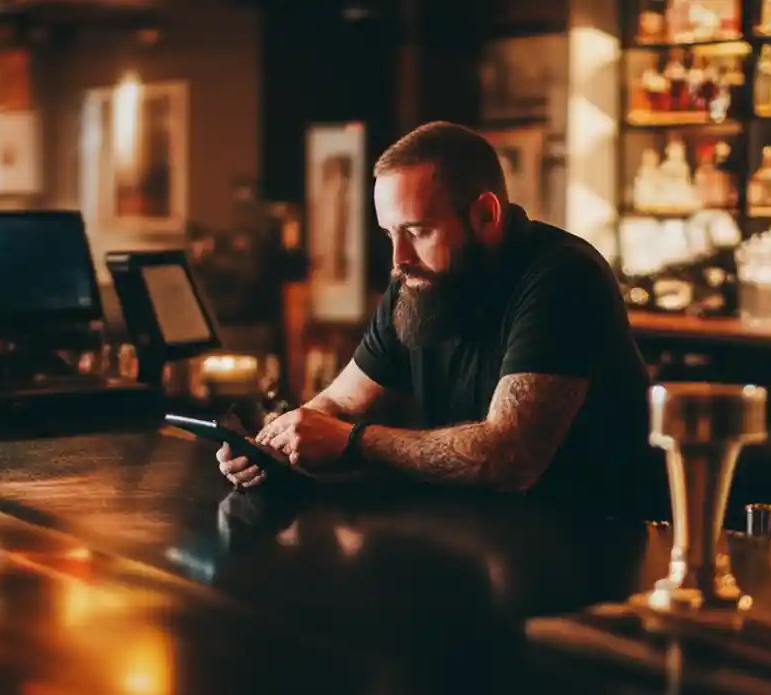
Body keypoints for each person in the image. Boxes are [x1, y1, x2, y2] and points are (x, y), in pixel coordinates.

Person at [218, 121, 664, 519]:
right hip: (486, 542)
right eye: (390, 234)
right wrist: (271, 447)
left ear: (486, 215)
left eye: (417, 231)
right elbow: (336, 404)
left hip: (600, 552)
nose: (398, 259)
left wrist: (352, 441)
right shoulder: (416, 283)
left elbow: (507, 458)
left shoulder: (563, 276)